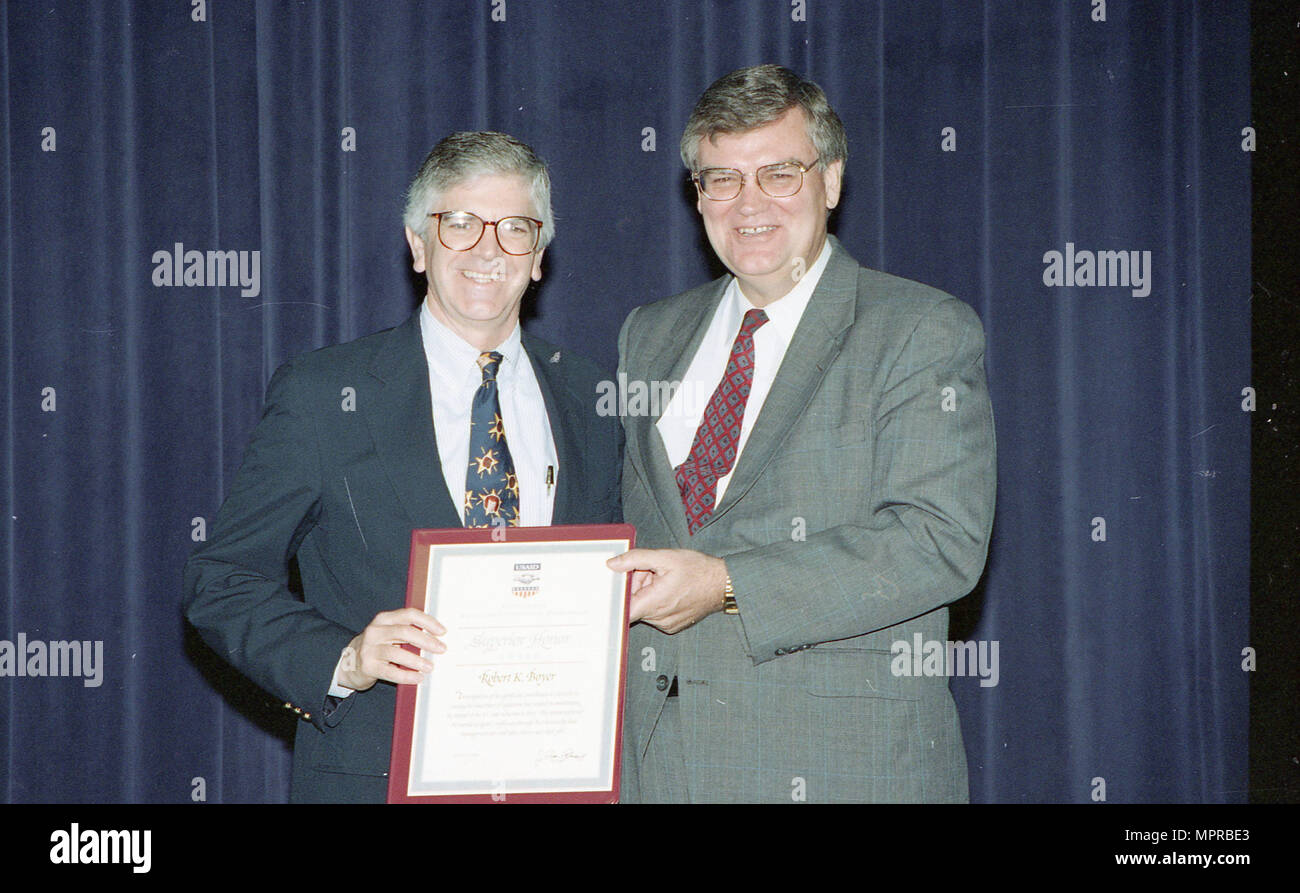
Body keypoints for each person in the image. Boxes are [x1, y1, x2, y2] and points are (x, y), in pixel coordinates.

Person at [184, 131, 621, 803]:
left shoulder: (593, 400)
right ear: (418, 245)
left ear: (538, 256)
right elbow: (221, 582)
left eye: (513, 229)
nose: (485, 249)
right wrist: (346, 658)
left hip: (554, 777)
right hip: (373, 780)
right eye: (460, 224)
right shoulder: (325, 394)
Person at [608, 65, 996, 802]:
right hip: (652, 768)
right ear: (698, 196)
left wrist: (724, 585)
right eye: (721, 179)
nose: (748, 203)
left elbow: (937, 541)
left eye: (779, 173)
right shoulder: (648, 335)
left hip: (839, 767)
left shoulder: (919, 329)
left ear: (832, 182)